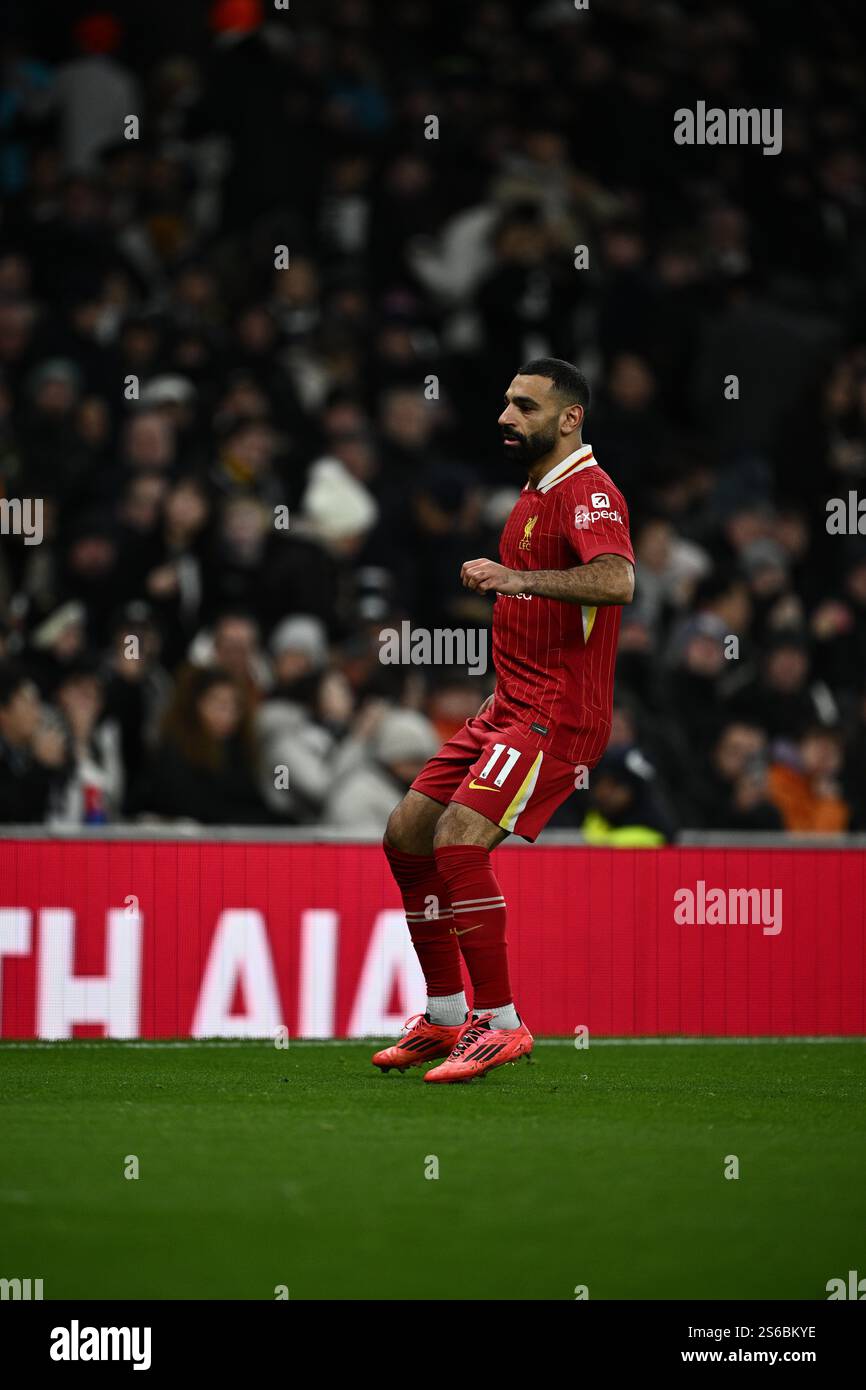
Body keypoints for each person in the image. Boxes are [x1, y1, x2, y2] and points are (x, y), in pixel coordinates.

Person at [375, 358, 635, 1082]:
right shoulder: (532, 492)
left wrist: (519, 578)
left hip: (555, 716)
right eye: (506, 403)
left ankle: (502, 1023)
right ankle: (447, 1015)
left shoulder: (589, 493)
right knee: (406, 836)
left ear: (570, 417)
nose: (506, 417)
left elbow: (617, 578)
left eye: (524, 406)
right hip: (506, 708)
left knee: (460, 840)